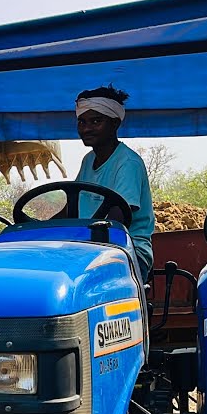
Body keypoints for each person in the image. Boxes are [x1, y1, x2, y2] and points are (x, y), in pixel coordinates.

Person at [73, 86, 155, 275]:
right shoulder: (88, 160)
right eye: (81, 121)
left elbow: (117, 219)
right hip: (89, 245)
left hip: (126, 248)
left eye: (95, 121)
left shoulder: (127, 163)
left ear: (115, 123)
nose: (86, 128)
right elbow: (72, 205)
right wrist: (34, 228)